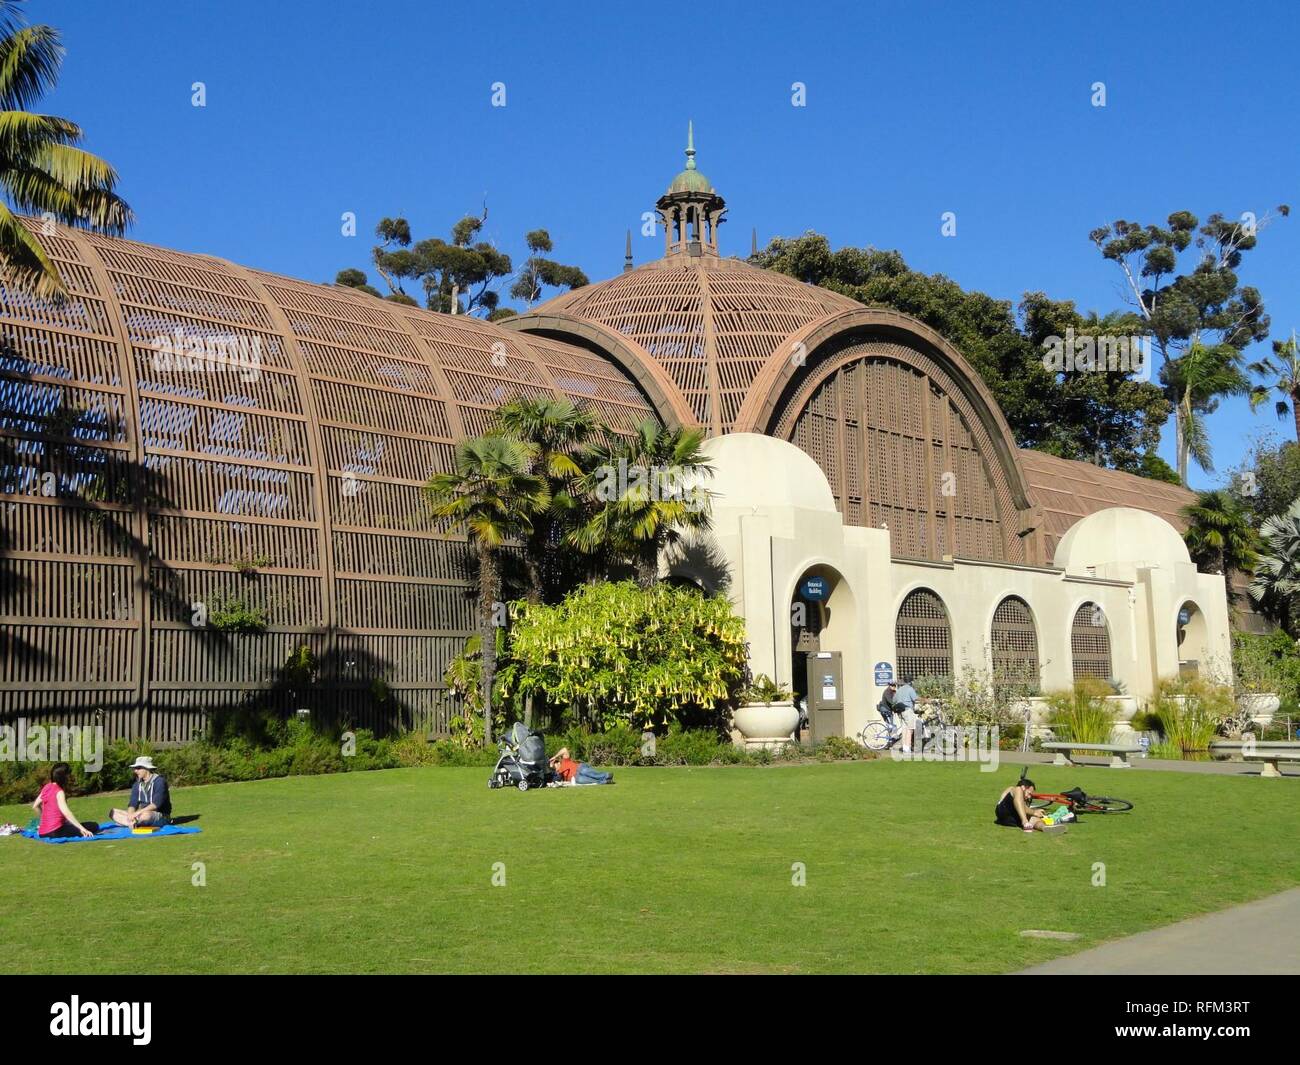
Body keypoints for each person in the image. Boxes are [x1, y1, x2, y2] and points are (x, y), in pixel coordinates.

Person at [33, 762, 99, 839]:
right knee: (94, 825)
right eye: (68, 774)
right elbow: (66, 813)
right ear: (64, 777)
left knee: (73, 826)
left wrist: (44, 823)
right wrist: (82, 829)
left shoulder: (47, 787)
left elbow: (35, 806)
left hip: (42, 832)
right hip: (55, 832)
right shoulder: (59, 792)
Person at [109, 756, 172, 828]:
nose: (135, 771)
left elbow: (156, 805)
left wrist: (137, 813)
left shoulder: (160, 781)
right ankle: (132, 823)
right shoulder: (137, 784)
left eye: (138, 768)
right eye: (135, 768)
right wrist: (131, 815)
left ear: (147, 768)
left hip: (160, 815)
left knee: (146, 815)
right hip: (141, 814)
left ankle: (129, 823)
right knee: (113, 812)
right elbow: (132, 804)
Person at [548, 747, 614, 785]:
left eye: (554, 765)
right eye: (553, 768)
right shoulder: (558, 774)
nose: (555, 768)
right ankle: (605, 781)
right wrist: (552, 768)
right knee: (585, 780)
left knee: (585, 771)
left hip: (579, 768)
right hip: (576, 778)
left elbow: (565, 749)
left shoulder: (564, 761)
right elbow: (555, 781)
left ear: (557, 762)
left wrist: (555, 756)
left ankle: (606, 775)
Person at [894, 675, 919, 753]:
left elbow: (894, 700)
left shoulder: (899, 689)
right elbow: (915, 698)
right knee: (910, 729)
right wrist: (926, 700)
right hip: (908, 710)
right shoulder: (910, 689)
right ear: (911, 681)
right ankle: (907, 747)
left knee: (904, 729)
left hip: (901, 711)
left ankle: (904, 747)